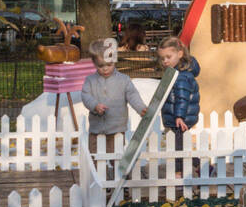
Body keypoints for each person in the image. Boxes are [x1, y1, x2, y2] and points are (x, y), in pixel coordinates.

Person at [81, 39, 149, 174]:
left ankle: (121, 176)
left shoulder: (123, 80)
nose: (105, 69)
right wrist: (95, 106)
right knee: (95, 155)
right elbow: (85, 96)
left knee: (116, 155)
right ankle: (98, 176)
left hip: (117, 127)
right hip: (96, 128)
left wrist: (141, 108)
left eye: (109, 64)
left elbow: (132, 95)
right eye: (101, 66)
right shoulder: (90, 80)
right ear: (94, 63)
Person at [157, 36, 200, 177]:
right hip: (177, 116)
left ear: (180, 54)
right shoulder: (174, 73)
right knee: (181, 146)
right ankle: (200, 166)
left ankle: (179, 173)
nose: (165, 61)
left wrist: (179, 116)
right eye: (162, 58)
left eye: (168, 57)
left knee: (178, 148)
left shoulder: (182, 76)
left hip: (181, 118)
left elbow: (182, 98)